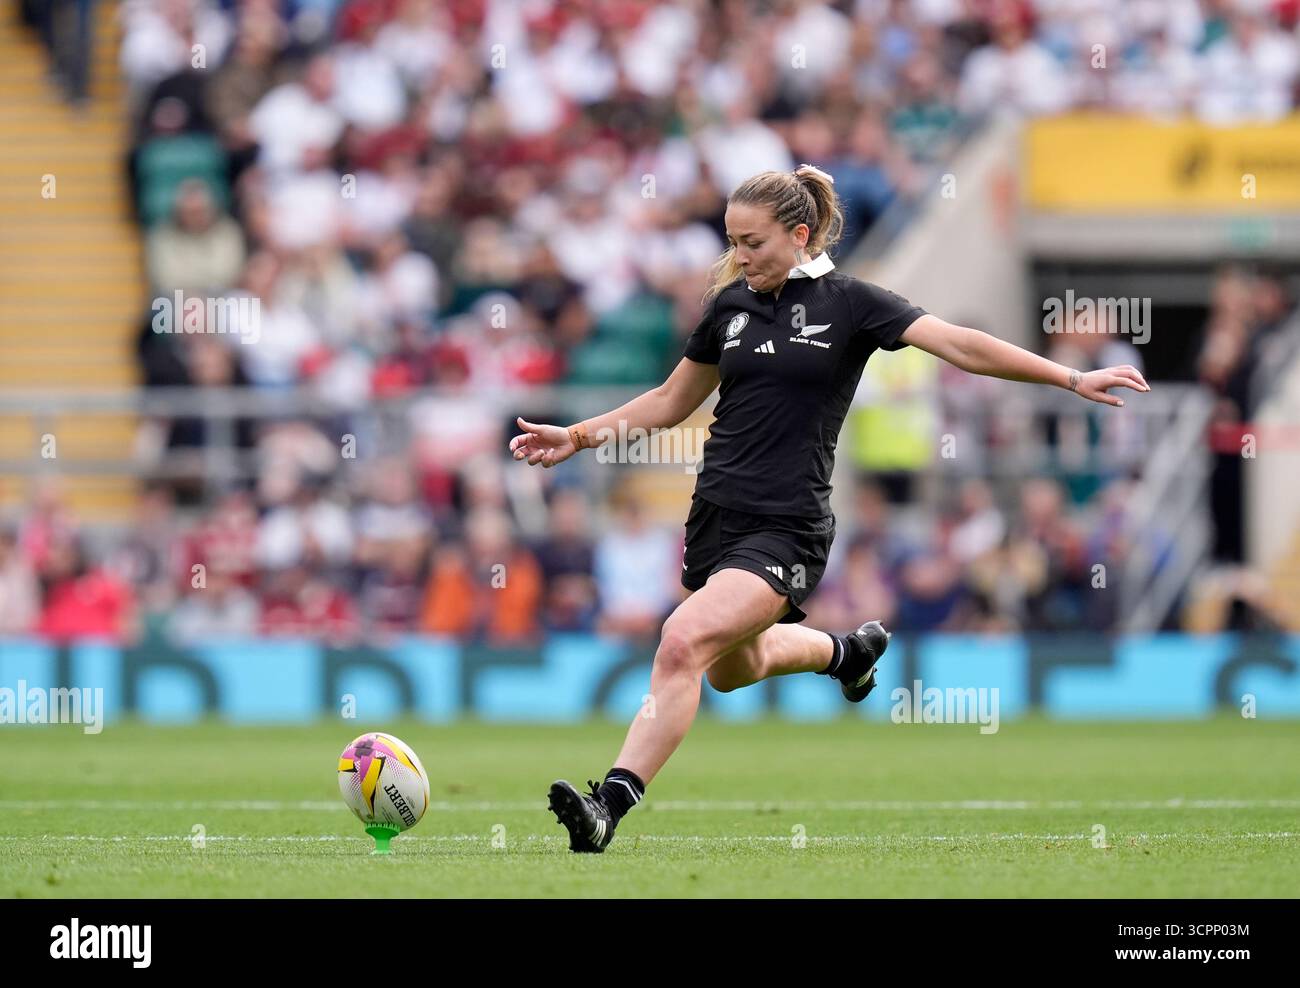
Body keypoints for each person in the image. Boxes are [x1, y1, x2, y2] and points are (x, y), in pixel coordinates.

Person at [509, 164, 1149, 852]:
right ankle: (845, 653)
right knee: (731, 667)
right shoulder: (730, 306)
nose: (740, 255)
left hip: (787, 527)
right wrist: (576, 435)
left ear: (799, 234)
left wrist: (1071, 375)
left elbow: (961, 344)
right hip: (714, 516)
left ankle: (607, 806)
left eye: (752, 242)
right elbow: (670, 402)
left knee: (681, 643)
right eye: (732, 241)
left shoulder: (852, 304)